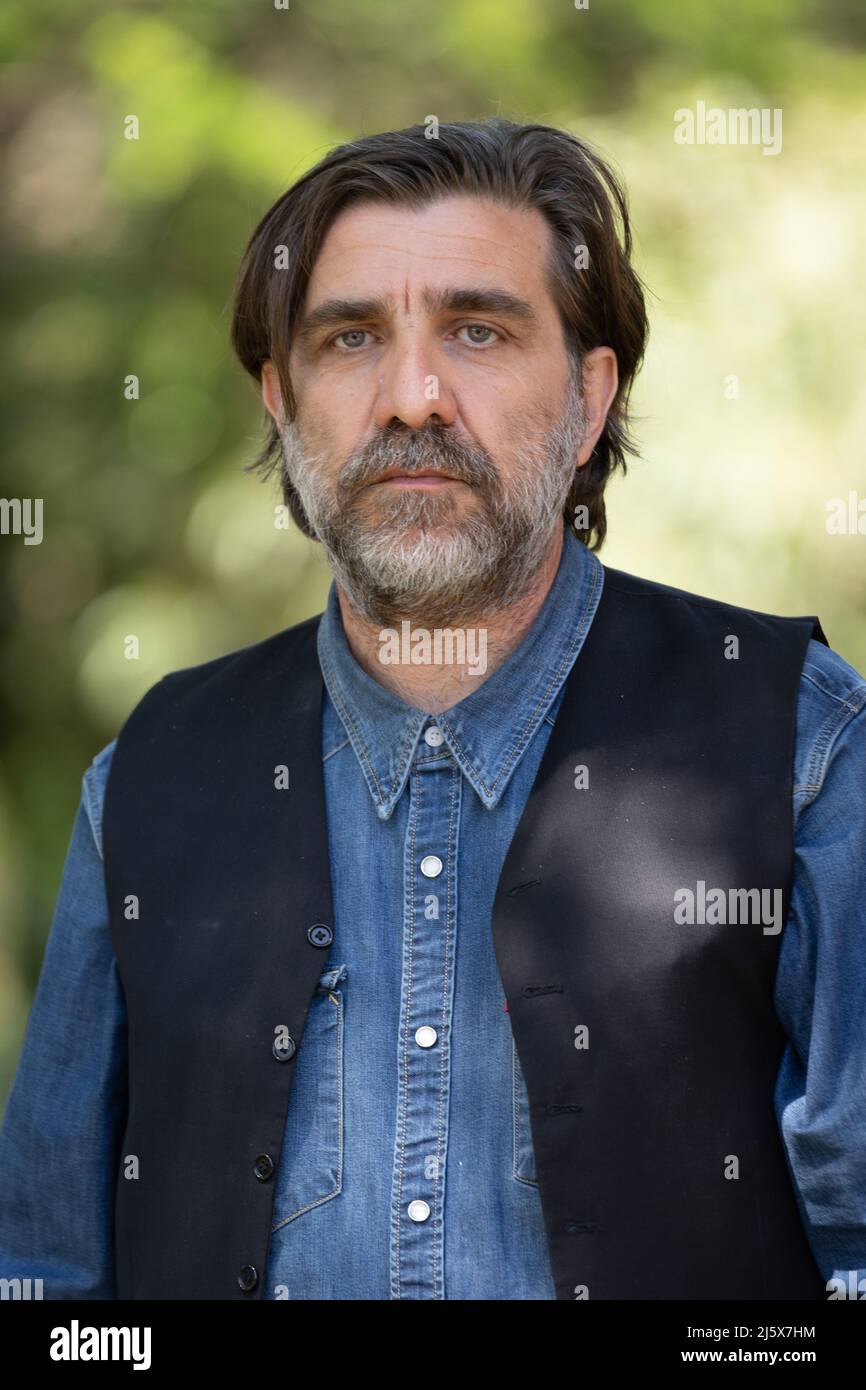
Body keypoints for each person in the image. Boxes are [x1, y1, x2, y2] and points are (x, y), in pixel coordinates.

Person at [1, 118, 864, 1301]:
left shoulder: (801, 745)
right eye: (350, 337)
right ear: (279, 401)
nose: (413, 396)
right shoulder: (150, 777)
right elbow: (45, 1276)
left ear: (589, 395)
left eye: (477, 329)